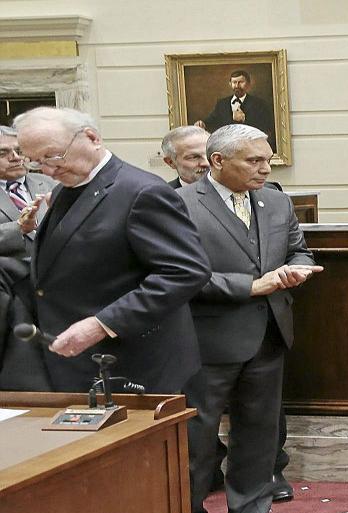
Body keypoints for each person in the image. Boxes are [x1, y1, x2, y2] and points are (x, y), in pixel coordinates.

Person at [177, 124, 322, 513]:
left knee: (259, 434)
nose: (266, 167)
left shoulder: (276, 201)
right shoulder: (178, 204)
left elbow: (300, 249)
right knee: (196, 441)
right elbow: (181, 275)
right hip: (207, 341)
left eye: (268, 158)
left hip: (269, 334)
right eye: (254, 160)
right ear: (218, 161)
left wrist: (298, 268)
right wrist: (250, 286)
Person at [14, 106, 210, 393]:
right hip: (79, 362)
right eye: (35, 162)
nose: (47, 169)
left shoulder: (142, 192)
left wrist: (101, 323)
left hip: (132, 364)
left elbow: (186, 272)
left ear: (92, 137)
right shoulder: (62, 191)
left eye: (53, 156)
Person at [0, 125, 55, 389]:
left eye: (19, 151)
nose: (15, 157)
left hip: (56, 291)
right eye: (4, 152)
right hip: (11, 298)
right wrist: (17, 229)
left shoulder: (50, 183)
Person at [195, 69, 277, 152]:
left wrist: (245, 120)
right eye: (234, 82)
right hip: (226, 148)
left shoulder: (259, 104)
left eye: (241, 82)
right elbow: (212, 120)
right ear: (230, 84)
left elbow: (266, 128)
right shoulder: (222, 103)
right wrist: (203, 123)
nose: (237, 85)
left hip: (250, 149)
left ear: (248, 84)